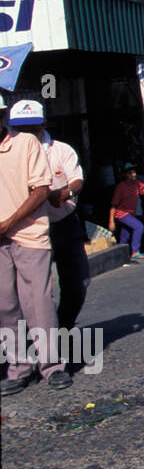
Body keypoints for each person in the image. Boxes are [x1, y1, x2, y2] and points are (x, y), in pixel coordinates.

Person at [0, 95, 70, 395]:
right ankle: (18, 368)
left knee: (38, 304)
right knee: (5, 307)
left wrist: (9, 222)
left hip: (29, 234)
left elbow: (40, 190)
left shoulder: (25, 143)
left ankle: (52, 367)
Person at [7, 100, 90, 329]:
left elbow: (76, 178)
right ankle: (35, 344)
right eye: (21, 129)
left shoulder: (60, 150)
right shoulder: (8, 152)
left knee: (78, 284)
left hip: (62, 224)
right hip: (25, 229)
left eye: (33, 128)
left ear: (44, 123)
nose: (27, 134)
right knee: (29, 295)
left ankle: (62, 328)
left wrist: (67, 191)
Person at [109, 162, 144, 263]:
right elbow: (113, 205)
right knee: (139, 226)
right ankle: (135, 252)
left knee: (125, 235)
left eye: (134, 172)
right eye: (130, 173)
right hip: (121, 214)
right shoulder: (121, 187)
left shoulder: (136, 183)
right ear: (125, 175)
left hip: (130, 214)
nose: (133, 174)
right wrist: (111, 221)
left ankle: (121, 256)